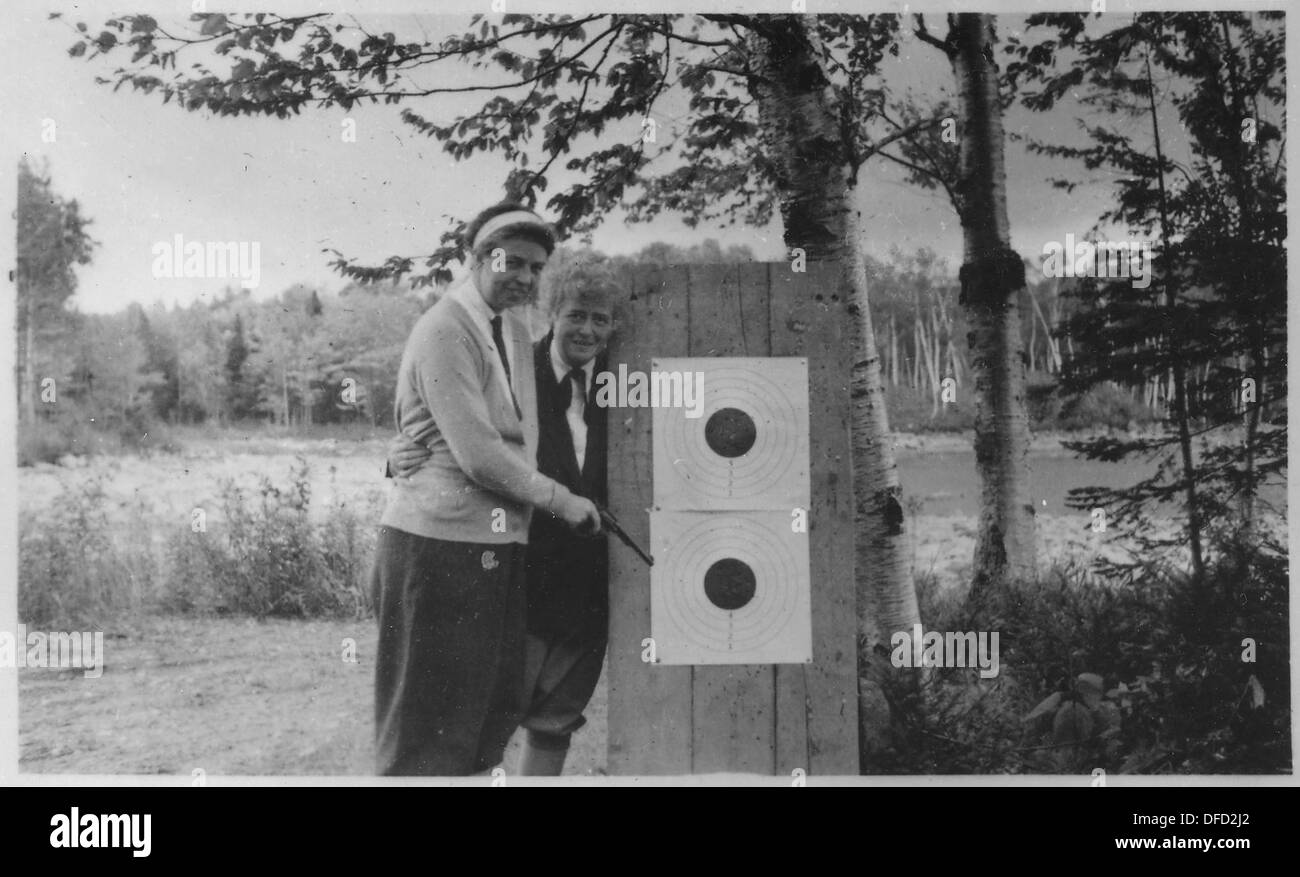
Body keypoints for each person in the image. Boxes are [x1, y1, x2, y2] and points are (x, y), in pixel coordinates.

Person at [372, 203, 601, 776]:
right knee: (424, 725)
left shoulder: (514, 327)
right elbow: (478, 455)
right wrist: (561, 501)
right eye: (511, 262)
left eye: (536, 267)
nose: (524, 277)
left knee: (475, 722)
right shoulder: (446, 329)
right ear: (475, 260)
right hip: (437, 547)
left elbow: (520, 428)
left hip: (492, 551)